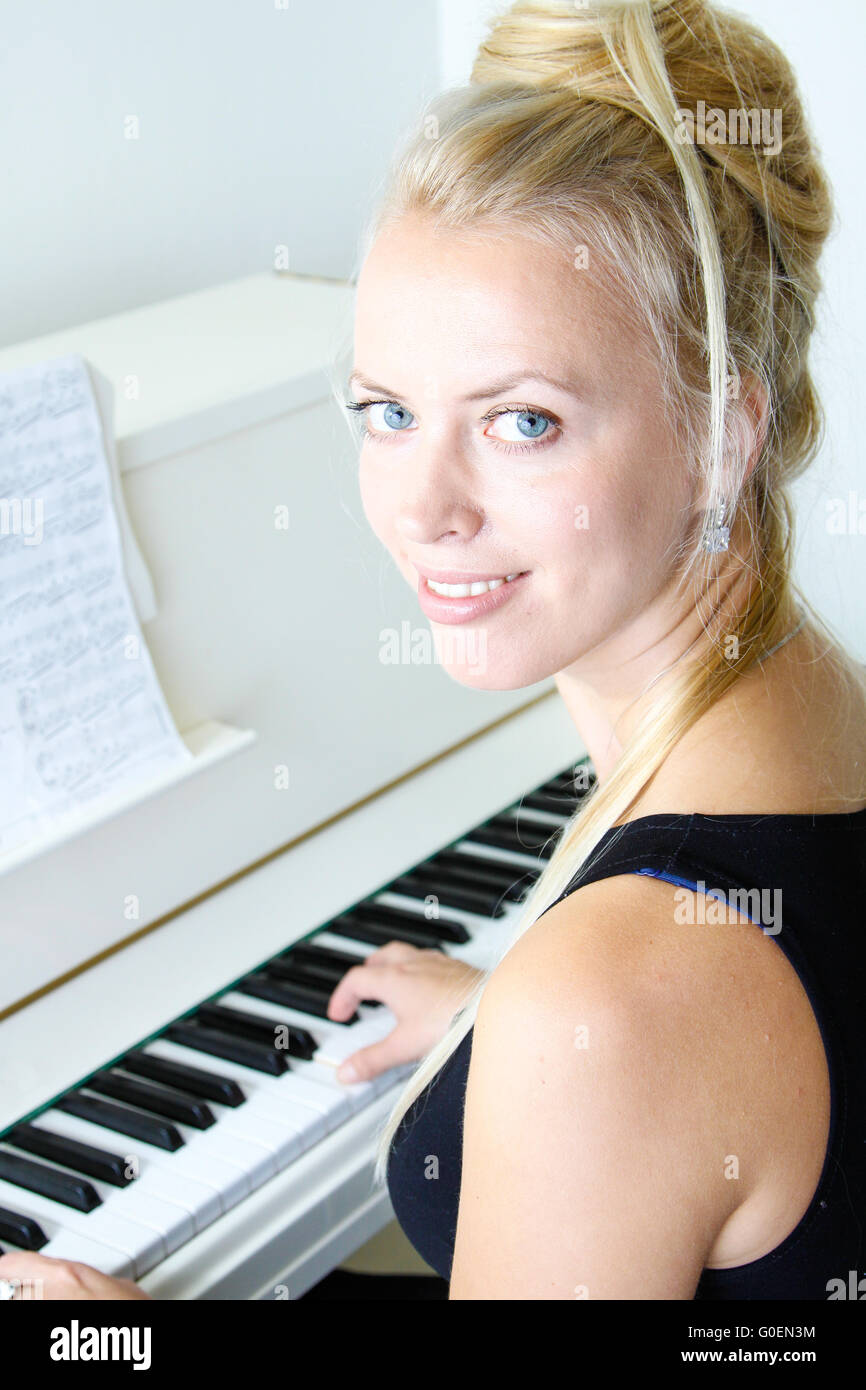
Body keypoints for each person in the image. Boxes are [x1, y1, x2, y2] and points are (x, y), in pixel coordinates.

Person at [4, 0, 865, 1301]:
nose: (420, 509)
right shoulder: (802, 688)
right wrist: (495, 1014)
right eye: (387, 410)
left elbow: (643, 1023)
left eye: (522, 421)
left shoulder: (612, 1003)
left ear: (721, 435)